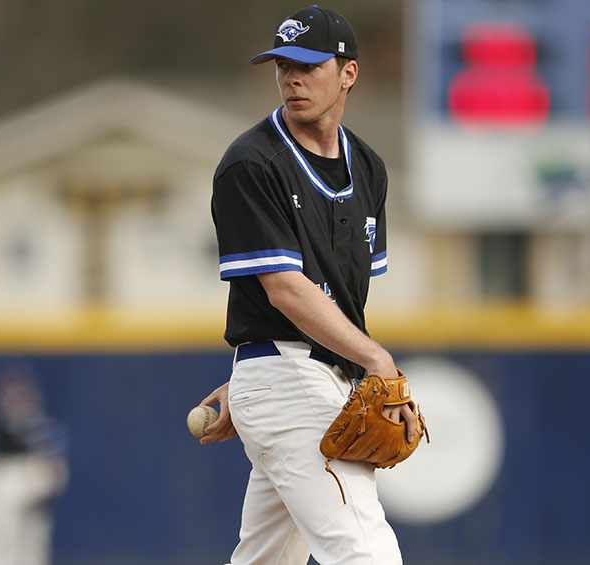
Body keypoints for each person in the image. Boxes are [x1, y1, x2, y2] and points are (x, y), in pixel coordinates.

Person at [199, 6, 416, 564]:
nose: (292, 78)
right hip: (289, 382)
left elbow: (343, 297)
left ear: (348, 73)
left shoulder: (369, 168)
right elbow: (285, 291)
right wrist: (376, 359)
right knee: (365, 550)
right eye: (283, 66)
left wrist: (252, 383)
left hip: (307, 378)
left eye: (308, 66)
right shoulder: (252, 163)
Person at [0, 361, 69, 565]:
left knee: (32, 544)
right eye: (9, 389)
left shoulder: (43, 420)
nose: (15, 396)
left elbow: (55, 464)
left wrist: (51, 482)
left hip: (31, 479)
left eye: (21, 389)